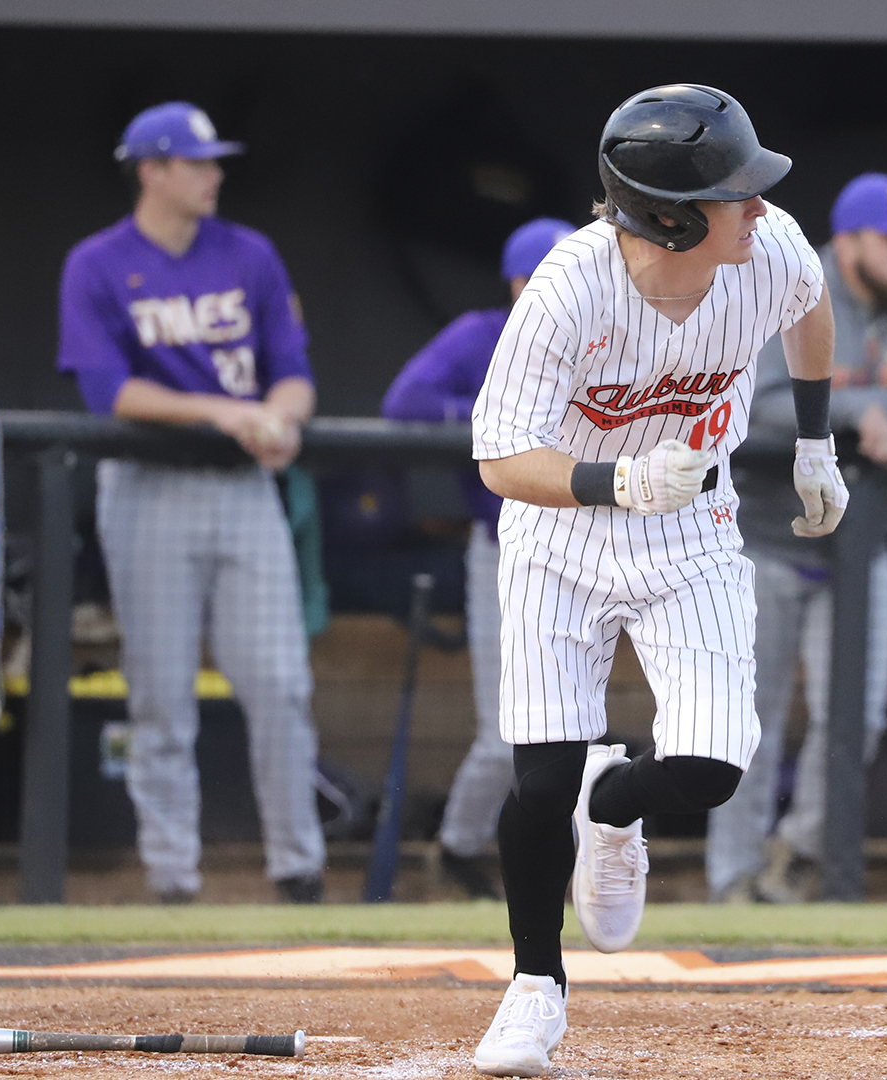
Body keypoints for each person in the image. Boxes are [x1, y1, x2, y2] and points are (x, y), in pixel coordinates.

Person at [467, 84, 844, 1076]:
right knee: (540, 780)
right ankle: (535, 987)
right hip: (561, 534)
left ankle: (619, 804)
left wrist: (815, 439)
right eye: (734, 193)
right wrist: (617, 477)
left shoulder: (767, 251)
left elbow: (810, 306)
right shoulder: (566, 290)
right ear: (670, 215)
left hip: (696, 533)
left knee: (714, 771)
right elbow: (502, 459)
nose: (757, 207)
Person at [57, 102, 323, 905]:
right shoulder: (98, 262)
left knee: (279, 683)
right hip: (149, 486)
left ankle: (297, 867)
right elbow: (111, 392)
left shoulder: (250, 253)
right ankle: (172, 877)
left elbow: (294, 372)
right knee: (162, 696)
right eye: (197, 162)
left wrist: (280, 416)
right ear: (152, 170)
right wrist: (224, 411)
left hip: (243, 488)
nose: (213, 174)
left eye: (215, 162)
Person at [705, 172, 887, 904]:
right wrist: (854, 414)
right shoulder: (788, 284)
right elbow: (756, 405)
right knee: (746, 719)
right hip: (762, 536)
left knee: (858, 716)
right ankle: (731, 880)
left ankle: (796, 856)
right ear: (847, 244)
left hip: (859, 545)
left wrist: (863, 409)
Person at [381, 216, 576, 899]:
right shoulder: (481, 336)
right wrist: (499, 413)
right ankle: (461, 848)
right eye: (553, 279)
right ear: (519, 283)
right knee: (506, 733)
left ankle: (568, 871)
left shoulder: (610, 339)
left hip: (588, 553)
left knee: (572, 725)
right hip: (503, 550)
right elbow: (403, 403)